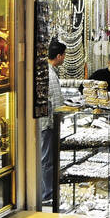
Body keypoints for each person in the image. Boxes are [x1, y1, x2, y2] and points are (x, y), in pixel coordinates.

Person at [42, 41, 67, 206]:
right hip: (49, 124)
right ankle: (47, 194)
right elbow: (55, 101)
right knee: (47, 159)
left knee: (48, 158)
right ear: (59, 56)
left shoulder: (48, 72)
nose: (65, 58)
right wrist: (60, 118)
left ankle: (48, 192)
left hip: (49, 123)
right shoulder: (50, 75)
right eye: (64, 55)